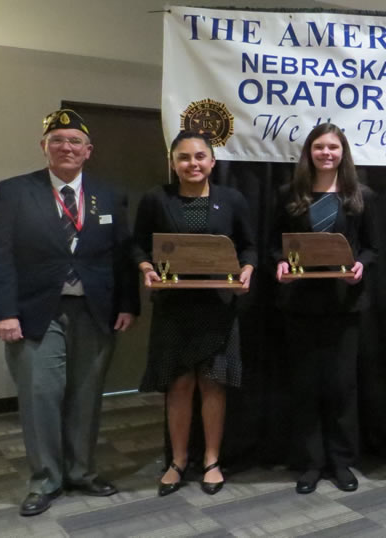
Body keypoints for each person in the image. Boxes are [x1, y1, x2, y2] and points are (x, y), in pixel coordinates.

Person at [0, 109, 139, 516]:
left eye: (74, 141)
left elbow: (122, 256)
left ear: (88, 151)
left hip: (94, 310)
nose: (66, 147)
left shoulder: (108, 194)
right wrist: (4, 312)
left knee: (86, 397)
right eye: (57, 140)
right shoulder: (15, 191)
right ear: (44, 147)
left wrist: (128, 303)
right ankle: (45, 481)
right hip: (35, 311)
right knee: (41, 397)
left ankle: (82, 473)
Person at [133, 131, 256, 497]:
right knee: (179, 384)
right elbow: (138, 243)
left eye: (200, 157)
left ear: (212, 162)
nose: (193, 164)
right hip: (174, 307)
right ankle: (178, 460)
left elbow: (248, 246)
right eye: (184, 158)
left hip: (217, 306)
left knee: (213, 383)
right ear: (173, 163)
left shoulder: (232, 200)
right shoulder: (156, 198)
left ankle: (212, 461)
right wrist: (145, 267)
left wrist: (247, 270)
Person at [272, 123, 377, 494]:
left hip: (343, 304)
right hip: (299, 304)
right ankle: (311, 462)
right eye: (320, 147)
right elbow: (274, 245)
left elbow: (371, 248)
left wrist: (362, 265)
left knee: (341, 386)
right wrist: (280, 264)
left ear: (343, 153)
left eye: (333, 147)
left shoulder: (359, 195)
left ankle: (341, 462)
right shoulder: (290, 194)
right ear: (309, 152)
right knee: (305, 386)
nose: (327, 153)